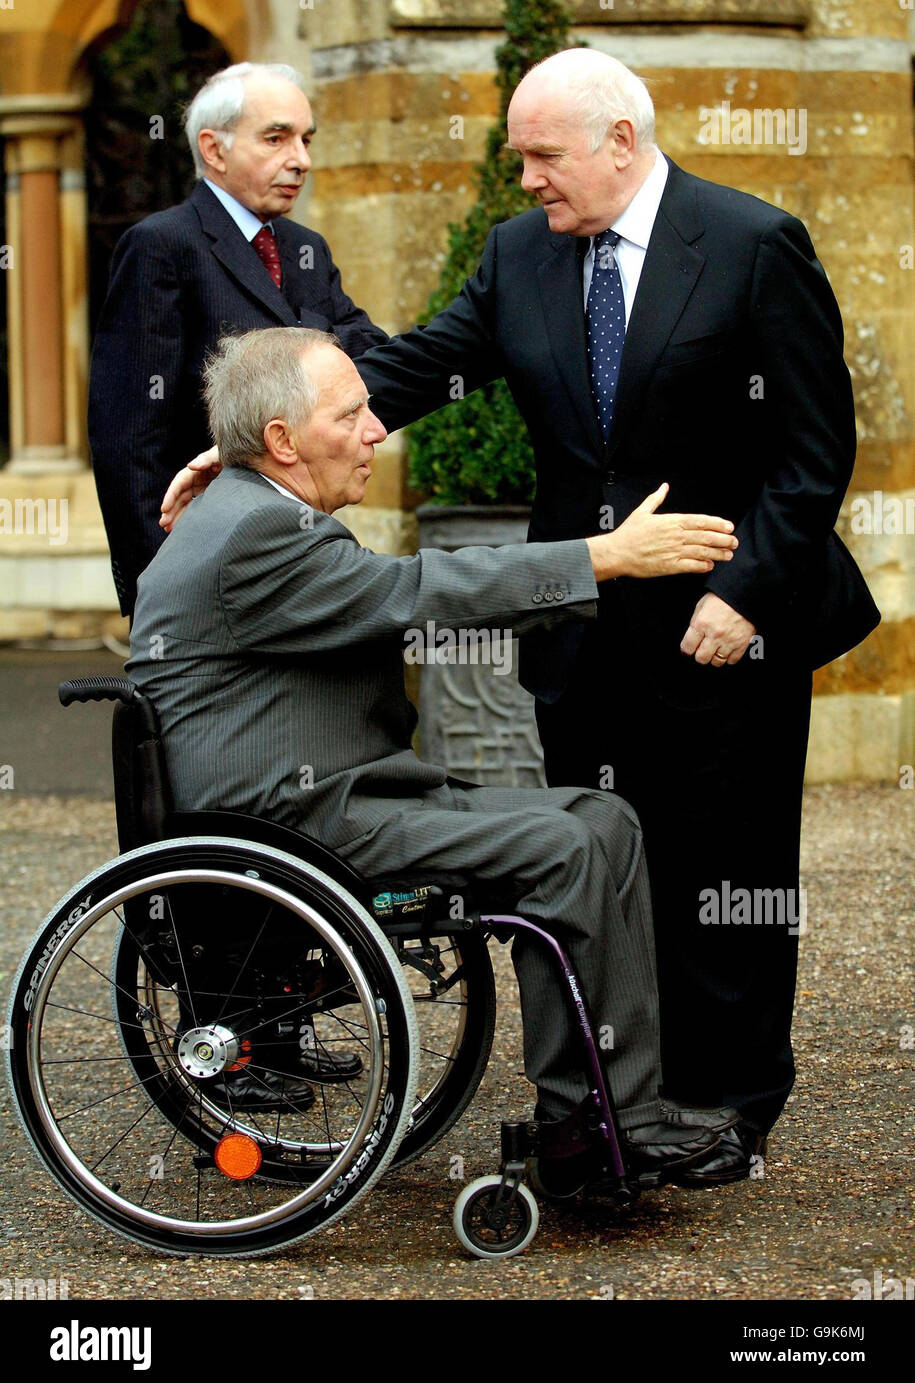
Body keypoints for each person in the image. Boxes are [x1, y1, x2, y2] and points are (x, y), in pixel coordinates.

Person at [160, 50, 879, 1185]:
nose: (529, 179)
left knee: (728, 868)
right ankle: (621, 1096)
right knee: (600, 851)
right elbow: (424, 364)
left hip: (722, 617)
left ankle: (734, 1101)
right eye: (521, 157)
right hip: (586, 632)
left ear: (620, 142)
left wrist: (747, 596)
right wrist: (251, 448)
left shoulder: (749, 244)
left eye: (544, 156)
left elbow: (813, 449)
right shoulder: (518, 255)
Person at [129, 325, 746, 1188]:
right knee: (565, 845)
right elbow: (416, 594)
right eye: (352, 414)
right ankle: (594, 1129)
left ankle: (608, 1109)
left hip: (325, 802)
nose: (379, 429)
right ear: (282, 442)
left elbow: (391, 596)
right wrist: (601, 559)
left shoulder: (251, 510)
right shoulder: (255, 531)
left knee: (602, 816)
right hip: (294, 827)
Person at [89, 61, 386, 618]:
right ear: (214, 149)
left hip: (300, 548)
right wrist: (158, 586)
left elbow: (368, 345)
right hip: (201, 559)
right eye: (276, 138)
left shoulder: (305, 247)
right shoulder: (161, 245)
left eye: (305, 139)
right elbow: (126, 434)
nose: (301, 159)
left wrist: (300, 344)